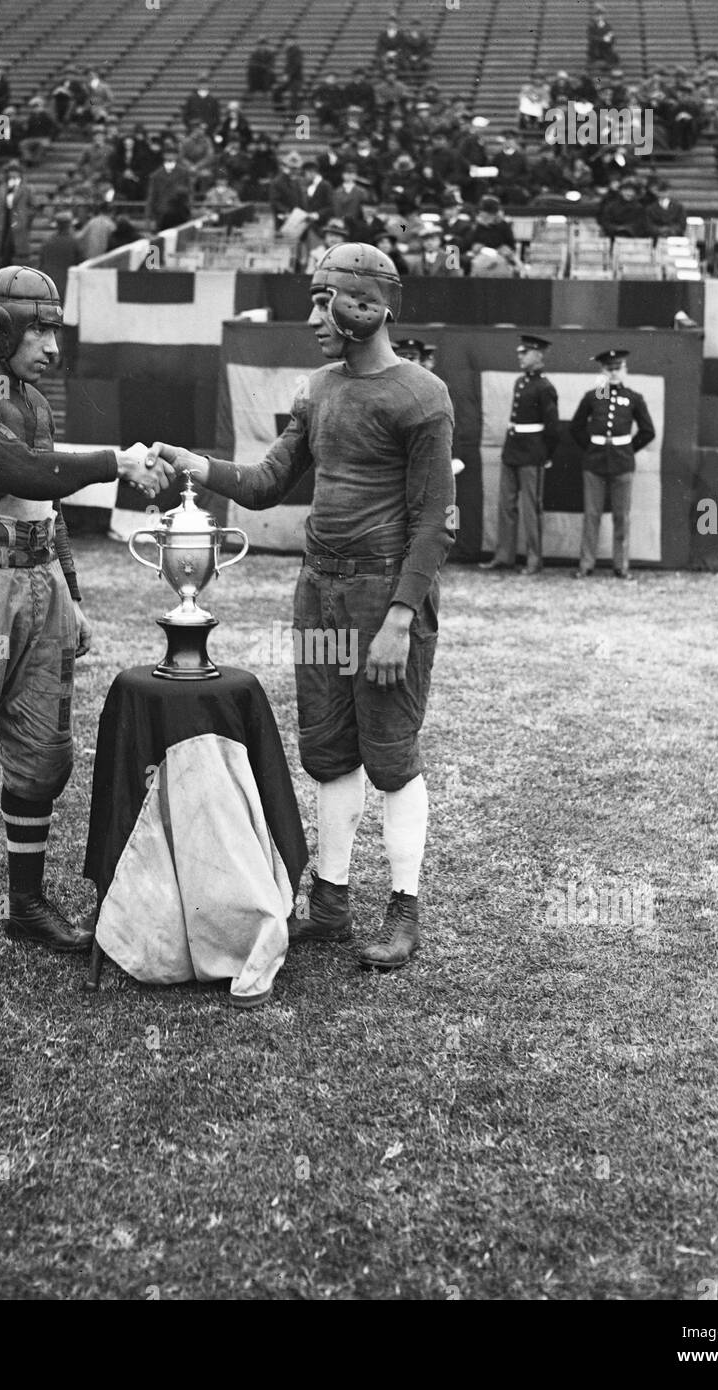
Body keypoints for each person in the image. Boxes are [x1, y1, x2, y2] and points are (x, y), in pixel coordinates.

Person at [146, 243, 455, 972]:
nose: (313, 316)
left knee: (392, 758)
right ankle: (332, 902)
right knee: (328, 750)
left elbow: (436, 520)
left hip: (382, 598)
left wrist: (401, 617)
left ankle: (403, 910)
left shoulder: (421, 395)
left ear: (365, 307)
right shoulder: (317, 389)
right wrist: (192, 463)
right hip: (318, 595)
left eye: (325, 301)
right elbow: (262, 485)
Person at [0, 267, 173, 978]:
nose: (51, 344)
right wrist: (116, 460)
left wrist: (71, 596)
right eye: (38, 329)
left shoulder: (33, 401)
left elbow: (47, 512)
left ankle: (25, 905)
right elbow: (23, 473)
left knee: (44, 757)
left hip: (39, 581)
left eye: (53, 328)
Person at [570, 348, 656, 580]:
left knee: (621, 516)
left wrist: (628, 449)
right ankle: (586, 565)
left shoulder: (634, 398)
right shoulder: (593, 397)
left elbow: (648, 431)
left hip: (622, 462)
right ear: (602, 371)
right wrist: (590, 447)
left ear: (625, 370)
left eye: (618, 368)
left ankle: (621, 566)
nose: (614, 373)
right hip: (594, 461)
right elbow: (575, 427)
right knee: (592, 514)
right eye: (610, 369)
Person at [483, 335, 559, 577]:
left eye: (524, 352)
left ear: (538, 355)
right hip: (513, 451)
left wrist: (545, 455)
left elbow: (553, 428)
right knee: (506, 506)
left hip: (532, 454)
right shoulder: (520, 382)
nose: (520, 355)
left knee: (530, 509)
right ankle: (504, 556)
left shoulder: (545, 387)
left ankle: (534, 560)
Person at [0, 160, 34, 268]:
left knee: (12, 248)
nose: (12, 174)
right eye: (10, 171)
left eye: (15, 171)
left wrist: (26, 217)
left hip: (17, 222)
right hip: (1, 222)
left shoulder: (26, 189)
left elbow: (33, 205)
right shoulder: (2, 188)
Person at [38, 209, 80, 297]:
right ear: (69, 225)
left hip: (49, 284)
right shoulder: (73, 242)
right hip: (67, 284)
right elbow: (80, 262)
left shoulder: (47, 241)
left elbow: (41, 264)